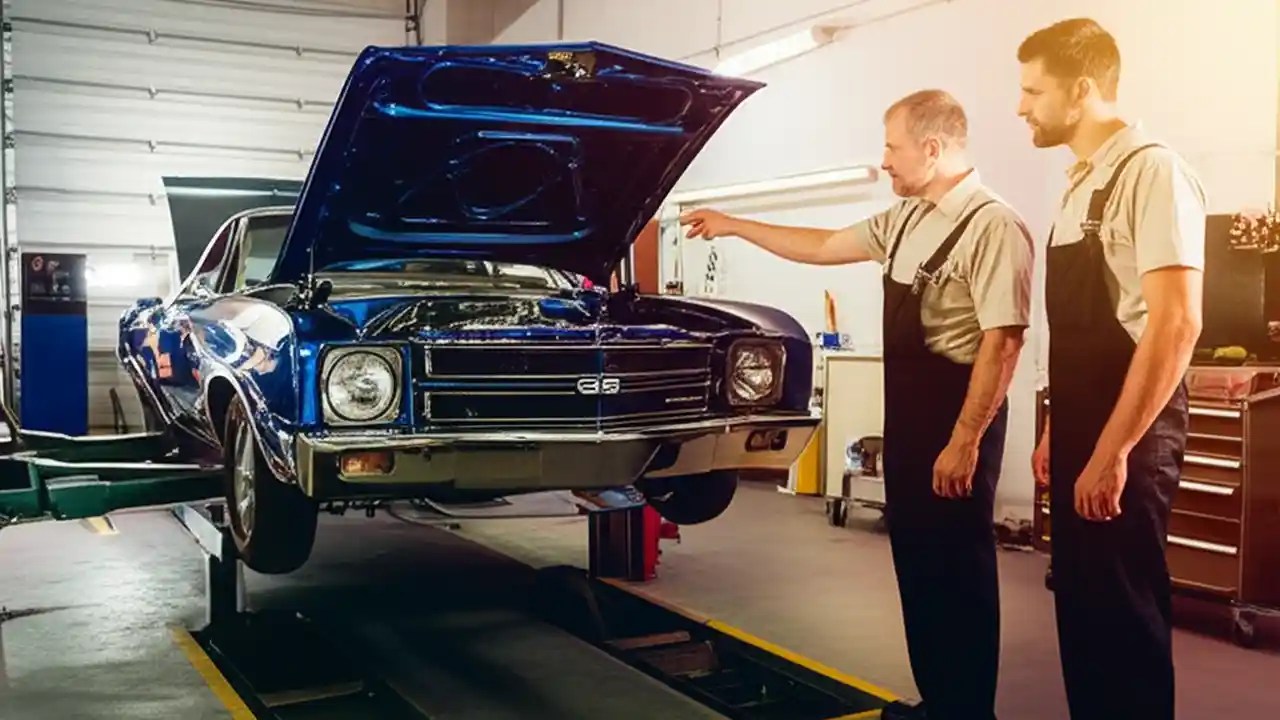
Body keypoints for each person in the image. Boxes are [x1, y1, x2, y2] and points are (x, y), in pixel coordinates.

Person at [681, 89, 1033, 720]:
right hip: (911, 421)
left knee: (961, 576)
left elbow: (1003, 341)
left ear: (931, 147)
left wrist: (965, 440)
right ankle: (940, 702)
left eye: (893, 147)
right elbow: (820, 245)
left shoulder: (992, 225)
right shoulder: (906, 219)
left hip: (957, 424)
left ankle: (970, 711)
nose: (886, 160)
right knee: (920, 571)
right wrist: (735, 225)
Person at [1017, 18, 1206, 720]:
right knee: (1083, 614)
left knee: (1124, 621)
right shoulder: (1080, 184)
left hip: (1129, 435)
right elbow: (1075, 331)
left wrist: (1113, 449)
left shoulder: (1152, 171)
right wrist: (1057, 432)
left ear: (1084, 88)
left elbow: (1178, 323)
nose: (1021, 105)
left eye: (1034, 90)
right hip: (1083, 430)